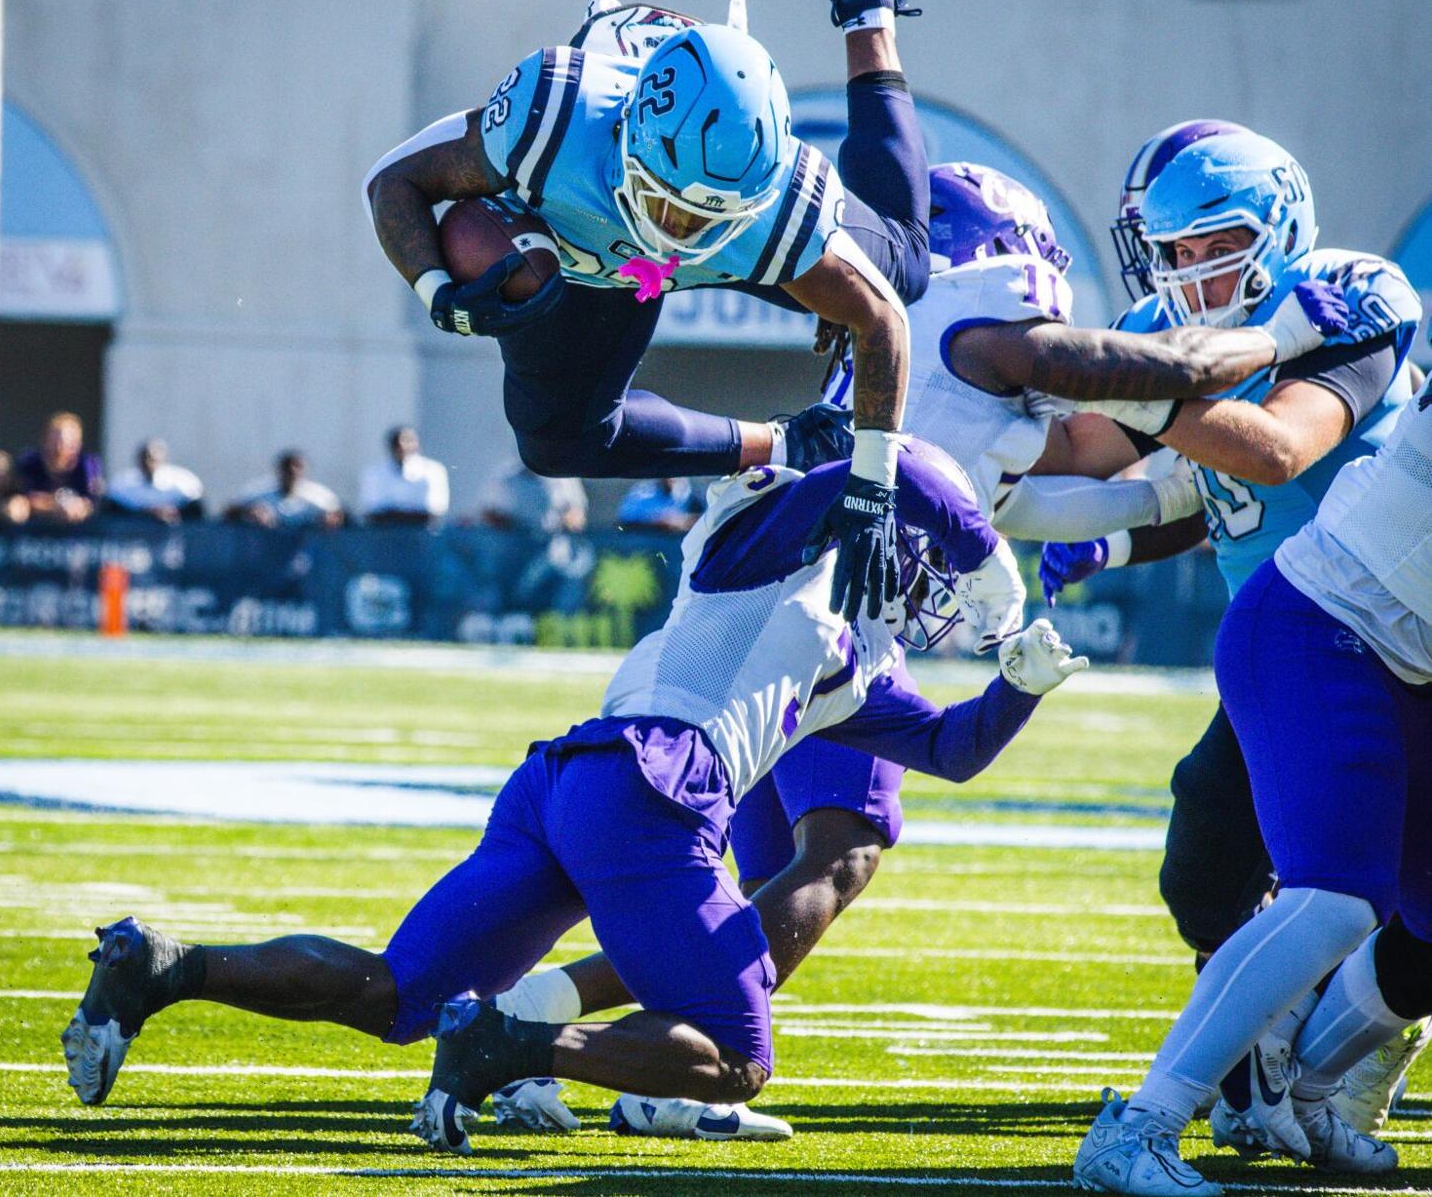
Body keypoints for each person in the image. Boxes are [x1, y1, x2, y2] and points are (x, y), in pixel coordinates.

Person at [485, 156, 1355, 1140]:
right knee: (839, 849)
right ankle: (618, 1040)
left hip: (755, 603)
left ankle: (569, 1021)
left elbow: (1044, 491)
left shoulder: (898, 332)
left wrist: (1131, 517)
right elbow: (1097, 414)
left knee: (755, 863)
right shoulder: (983, 330)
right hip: (827, 626)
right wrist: (1264, 351)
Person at [61, 440, 1088, 1151]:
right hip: (650, 790)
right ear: (898, 530)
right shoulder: (759, 543)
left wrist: (1021, 688)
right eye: (930, 557)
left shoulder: (855, 660)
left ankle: (161, 968)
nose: (930, 587)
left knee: (394, 994)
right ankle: (510, 1043)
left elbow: (952, 747)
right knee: (734, 1057)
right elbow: (899, 463)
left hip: (561, 788)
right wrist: (986, 550)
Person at [364, 0, 957, 623]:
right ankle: (791, 443)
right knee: (559, 441)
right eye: (670, 205)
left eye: (704, 215)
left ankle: (866, 0)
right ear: (628, 140)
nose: (677, 231)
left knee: (905, 269)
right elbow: (393, 180)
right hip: (584, 238)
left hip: (712, 234)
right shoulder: (554, 117)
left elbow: (883, 315)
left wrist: (872, 483)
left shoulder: (779, 203)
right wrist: (438, 292)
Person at [1040, 128, 1423, 1152]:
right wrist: (951, 438)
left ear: (1280, 230)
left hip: (1383, 635)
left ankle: (1325, 1058)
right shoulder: (1162, 330)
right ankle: (1258, 1064)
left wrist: (1140, 383)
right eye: (1174, 252)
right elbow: (1084, 448)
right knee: (1222, 864)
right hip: (1309, 636)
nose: (1192, 273)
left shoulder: (1343, 300)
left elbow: (1275, 449)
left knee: (1373, 899)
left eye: (1217, 244)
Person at [1072, 368, 1432, 1196]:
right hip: (1323, 620)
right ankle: (1141, 1128)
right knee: (1338, 893)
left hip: (1404, 654)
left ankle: (1298, 1097)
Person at [15, 412, 104, 524]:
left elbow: (92, 501)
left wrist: (78, 506)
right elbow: (24, 498)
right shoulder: (29, 462)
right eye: (55, 440)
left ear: (78, 443)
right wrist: (55, 505)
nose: (59, 447)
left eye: (69, 442)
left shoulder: (88, 464)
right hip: (35, 531)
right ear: (44, 440)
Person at [227, 451, 344, 529]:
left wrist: (331, 519)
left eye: (298, 467)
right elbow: (229, 511)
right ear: (280, 470)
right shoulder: (259, 491)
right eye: (288, 469)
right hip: (265, 550)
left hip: (307, 552)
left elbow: (341, 514)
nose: (293, 473)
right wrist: (250, 513)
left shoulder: (317, 494)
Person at [358, 426, 449, 525]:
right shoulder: (373, 473)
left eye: (408, 441)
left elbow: (436, 507)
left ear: (417, 444)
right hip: (385, 532)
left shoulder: (433, 470)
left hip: (421, 531)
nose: (403, 447)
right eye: (397, 444)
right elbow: (372, 508)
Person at [105, 440, 205, 523]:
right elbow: (116, 506)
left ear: (163, 459)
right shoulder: (122, 482)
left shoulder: (184, 480)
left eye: (152, 459)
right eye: (144, 459)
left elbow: (195, 508)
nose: (148, 464)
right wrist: (148, 512)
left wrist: (172, 512)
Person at [479, 459, 587, 535]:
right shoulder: (506, 478)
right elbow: (488, 513)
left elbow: (577, 516)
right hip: (515, 544)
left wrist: (568, 522)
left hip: (553, 549)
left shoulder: (564, 478)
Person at [615, 476, 703, 532]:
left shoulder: (689, 492)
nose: (672, 478)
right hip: (646, 546)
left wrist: (684, 521)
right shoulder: (643, 492)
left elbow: (705, 517)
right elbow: (623, 520)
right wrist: (657, 521)